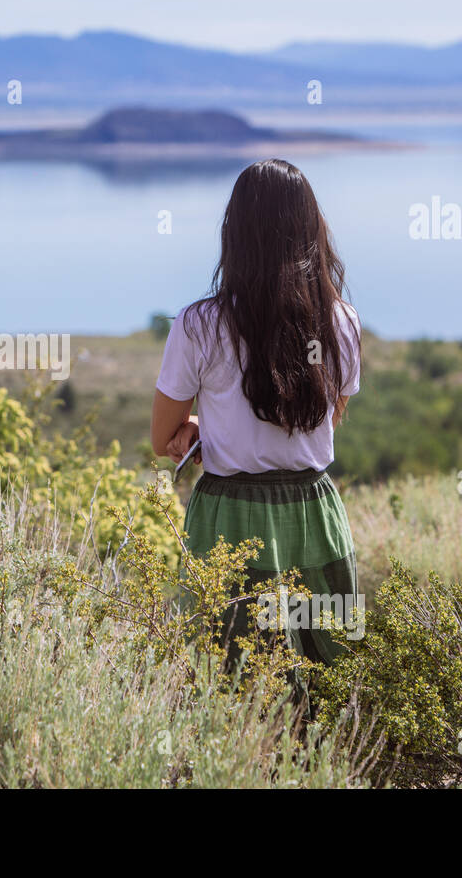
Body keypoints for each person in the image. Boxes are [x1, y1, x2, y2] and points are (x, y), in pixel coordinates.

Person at [150, 159, 361, 669]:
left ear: (235, 233)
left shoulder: (199, 324)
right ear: (312, 230)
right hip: (314, 513)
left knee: (233, 681)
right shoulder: (341, 322)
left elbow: (162, 439)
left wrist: (204, 427)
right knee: (330, 679)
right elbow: (320, 423)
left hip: (232, 516)